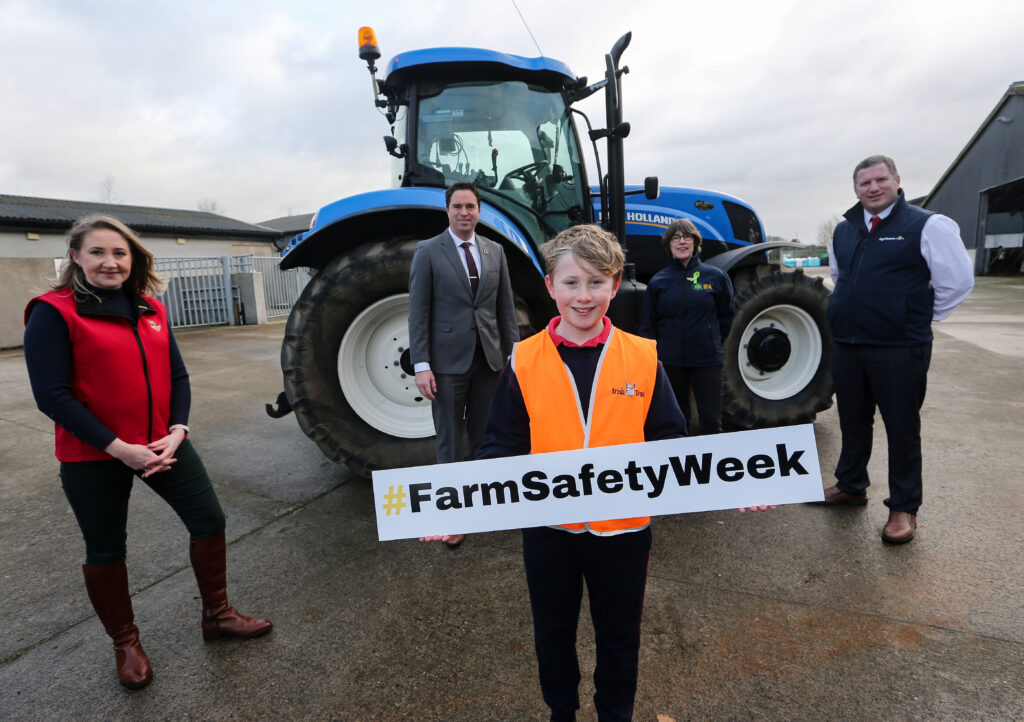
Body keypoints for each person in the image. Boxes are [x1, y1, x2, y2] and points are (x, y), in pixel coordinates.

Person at [423, 225, 767, 721]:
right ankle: (561, 712)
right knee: (553, 637)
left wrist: (737, 482)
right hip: (549, 531)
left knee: (620, 639)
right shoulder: (524, 360)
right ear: (550, 287)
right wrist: (458, 509)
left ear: (613, 286)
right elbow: (499, 446)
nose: (583, 297)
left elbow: (670, 442)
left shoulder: (644, 357)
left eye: (596, 283)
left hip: (624, 532)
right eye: (571, 283)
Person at [23, 215, 272, 689]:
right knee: (105, 549)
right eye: (97, 252)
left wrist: (178, 430)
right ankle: (125, 642)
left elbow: (176, 376)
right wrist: (121, 449)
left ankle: (217, 616)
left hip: (162, 442)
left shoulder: (151, 308)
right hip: (95, 455)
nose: (109, 262)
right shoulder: (53, 312)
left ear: (132, 258)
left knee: (209, 520)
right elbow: (51, 397)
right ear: (75, 257)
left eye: (119, 253)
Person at [816, 155, 974, 543]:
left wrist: (912, 317)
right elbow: (840, 277)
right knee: (852, 421)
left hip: (899, 347)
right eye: (864, 183)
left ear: (896, 180)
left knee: (902, 428)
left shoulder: (927, 225)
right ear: (856, 189)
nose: (872, 188)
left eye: (880, 180)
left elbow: (956, 282)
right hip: (849, 344)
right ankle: (851, 484)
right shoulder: (843, 230)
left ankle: (904, 506)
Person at [407, 182, 519, 547]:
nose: (464, 212)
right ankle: (452, 517)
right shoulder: (427, 252)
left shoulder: (495, 251)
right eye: (457, 206)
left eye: (470, 206)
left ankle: (485, 506)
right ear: (448, 211)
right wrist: (422, 364)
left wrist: (513, 356)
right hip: (445, 365)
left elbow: (504, 310)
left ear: (479, 210)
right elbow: (418, 313)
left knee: (487, 436)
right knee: (450, 441)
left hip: (488, 360)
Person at [639, 219, 734, 434]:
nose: (681, 242)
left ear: (695, 242)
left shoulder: (716, 277)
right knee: (677, 423)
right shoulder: (658, 282)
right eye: (676, 238)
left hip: (707, 362)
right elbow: (648, 325)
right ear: (669, 245)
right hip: (671, 363)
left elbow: (727, 317)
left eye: (686, 237)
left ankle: (712, 465)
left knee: (711, 424)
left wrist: (712, 343)